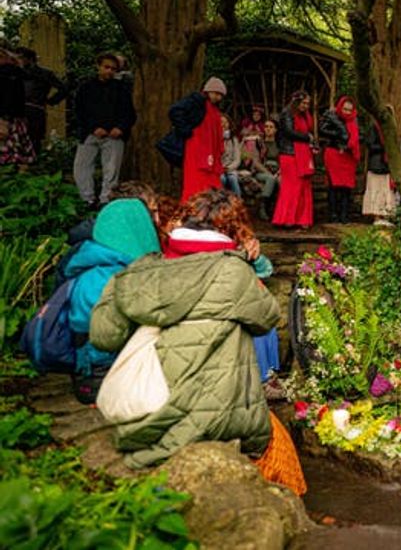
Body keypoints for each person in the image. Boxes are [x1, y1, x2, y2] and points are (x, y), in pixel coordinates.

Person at [89, 189, 281, 470]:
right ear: (233, 232)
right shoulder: (233, 272)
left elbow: (103, 336)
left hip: (145, 410)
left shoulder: (141, 270)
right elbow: (267, 318)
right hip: (219, 416)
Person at [62, 198, 161, 403]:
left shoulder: (94, 266)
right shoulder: (105, 277)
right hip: (100, 373)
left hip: (98, 368)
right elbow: (98, 335)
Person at [72, 52, 136, 208]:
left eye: (113, 69)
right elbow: (79, 111)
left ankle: (106, 200)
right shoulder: (85, 88)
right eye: (106, 67)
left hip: (114, 135)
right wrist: (93, 128)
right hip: (89, 133)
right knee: (81, 167)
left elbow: (130, 113)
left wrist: (120, 128)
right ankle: (86, 199)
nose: (109, 71)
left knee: (112, 170)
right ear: (98, 66)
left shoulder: (121, 89)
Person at [272, 90, 316, 228]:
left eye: (307, 103)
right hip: (290, 154)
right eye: (303, 103)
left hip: (302, 154)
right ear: (296, 102)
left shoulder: (304, 116)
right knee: (291, 187)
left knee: (303, 187)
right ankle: (286, 219)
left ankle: (301, 219)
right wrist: (307, 137)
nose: (305, 106)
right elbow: (288, 132)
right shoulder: (287, 113)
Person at [17, 46, 67, 152]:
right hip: (18, 110)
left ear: (29, 58)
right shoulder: (17, 73)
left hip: (36, 110)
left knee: (34, 140)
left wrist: (51, 101)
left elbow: (63, 89)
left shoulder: (45, 73)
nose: (19, 60)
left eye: (21, 57)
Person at [322, 95, 360, 223]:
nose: (347, 112)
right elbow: (323, 130)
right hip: (334, 152)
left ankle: (344, 215)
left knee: (346, 188)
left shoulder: (354, 120)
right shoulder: (333, 117)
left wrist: (351, 143)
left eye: (350, 109)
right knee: (334, 186)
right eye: (345, 109)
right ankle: (333, 215)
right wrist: (338, 134)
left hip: (348, 156)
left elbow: (357, 136)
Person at [362, 120, 397, 226]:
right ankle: (376, 215)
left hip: (387, 165)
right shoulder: (374, 127)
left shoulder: (391, 129)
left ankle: (386, 214)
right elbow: (371, 145)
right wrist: (384, 146)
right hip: (376, 163)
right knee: (375, 189)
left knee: (386, 189)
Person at [220, 114, 243, 197]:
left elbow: (237, 159)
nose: (223, 124)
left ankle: (238, 203)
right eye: (221, 122)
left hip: (230, 168)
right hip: (218, 168)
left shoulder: (234, 139)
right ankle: (221, 204)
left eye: (226, 122)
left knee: (232, 178)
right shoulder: (213, 138)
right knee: (222, 179)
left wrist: (229, 168)